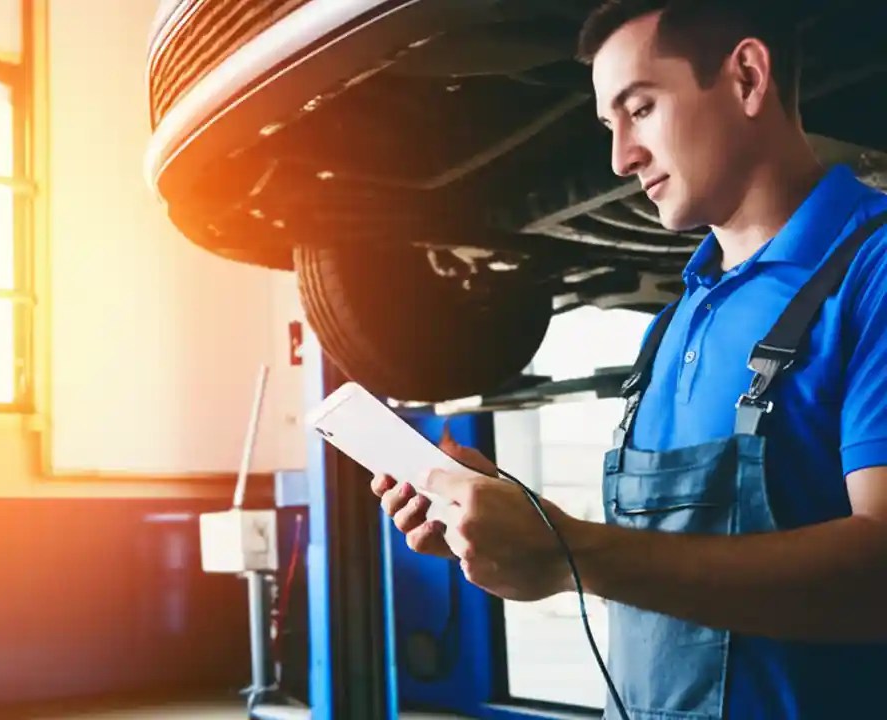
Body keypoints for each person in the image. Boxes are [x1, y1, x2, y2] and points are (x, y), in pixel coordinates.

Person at [371, 1, 887, 718]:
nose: (621, 158)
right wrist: (524, 533)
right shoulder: (674, 324)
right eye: (610, 127)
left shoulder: (874, 271)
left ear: (745, 77)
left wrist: (570, 555)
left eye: (640, 109)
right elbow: (662, 562)